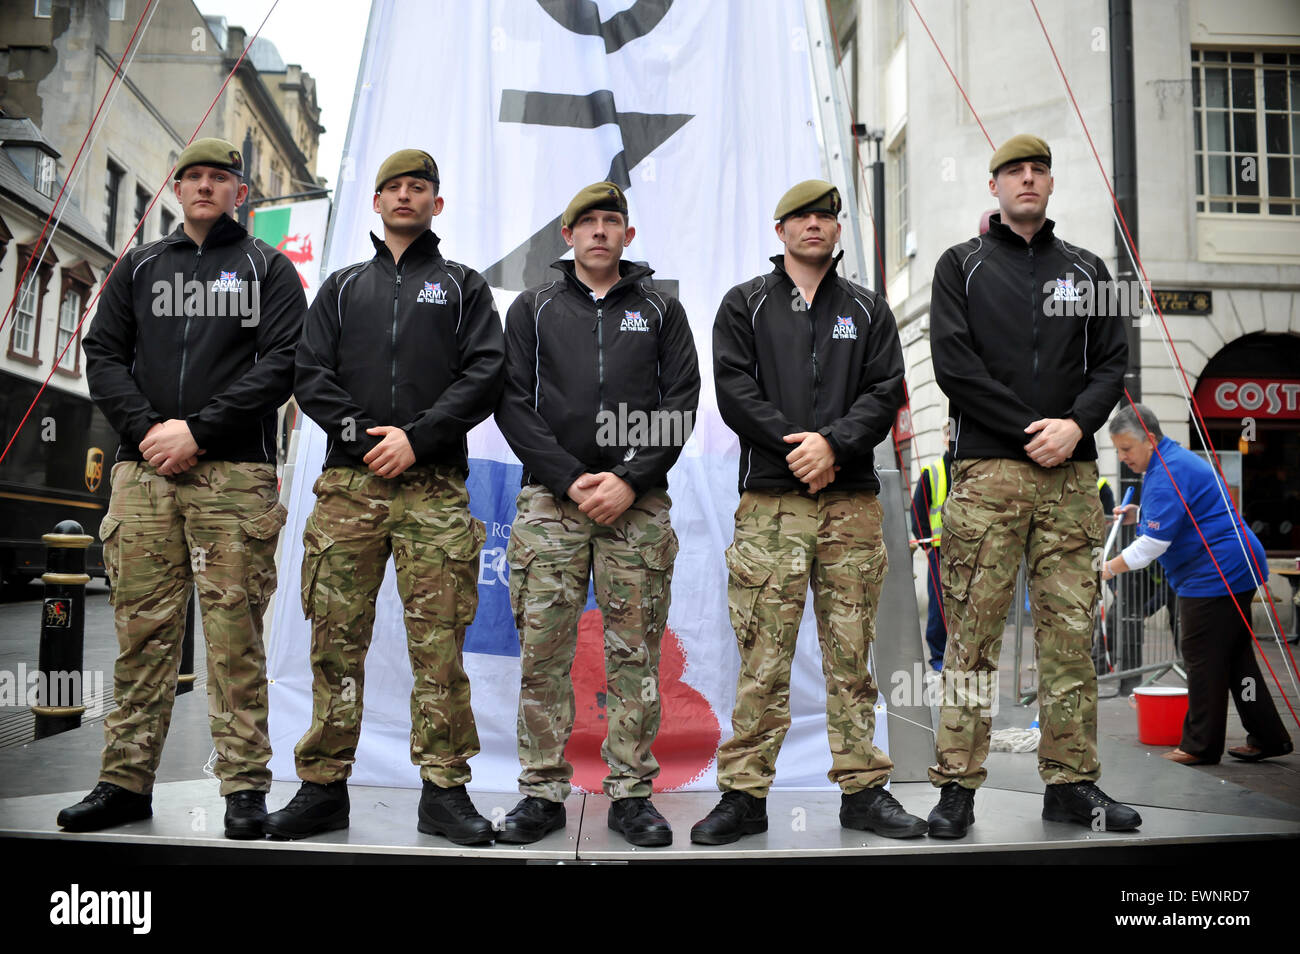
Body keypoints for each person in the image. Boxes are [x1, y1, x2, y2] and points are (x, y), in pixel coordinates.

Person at [63, 138, 306, 838]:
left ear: (240, 192)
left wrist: (196, 431)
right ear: (176, 189)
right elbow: (103, 354)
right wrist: (148, 431)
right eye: (193, 177)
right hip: (144, 476)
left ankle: (243, 788)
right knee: (142, 637)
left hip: (234, 475)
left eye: (219, 178)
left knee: (235, 640)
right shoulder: (139, 266)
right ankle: (123, 783)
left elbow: (282, 363)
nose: (205, 187)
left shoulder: (267, 268)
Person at [264, 149, 504, 844]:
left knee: (439, 645)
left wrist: (419, 437)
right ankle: (321, 787)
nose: (405, 196)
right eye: (393, 187)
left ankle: (444, 792)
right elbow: (310, 373)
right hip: (349, 487)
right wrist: (366, 438)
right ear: (375, 202)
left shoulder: (462, 288)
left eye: (419, 187)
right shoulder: (341, 289)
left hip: (434, 488)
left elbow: (484, 374)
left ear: (437, 203)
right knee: (336, 640)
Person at [691, 179, 926, 845]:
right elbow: (735, 390)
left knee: (852, 657)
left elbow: (885, 392)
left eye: (825, 215)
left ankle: (863, 791)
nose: (814, 225)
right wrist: (799, 447)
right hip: (772, 503)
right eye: (801, 217)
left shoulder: (868, 310)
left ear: (837, 229)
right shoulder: (746, 306)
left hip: (849, 505)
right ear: (780, 230)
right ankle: (743, 796)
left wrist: (836, 445)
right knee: (763, 656)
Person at [925, 134, 1142, 837]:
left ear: (1050, 185)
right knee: (972, 638)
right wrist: (1033, 429)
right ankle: (956, 788)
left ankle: (1072, 785)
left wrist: (1076, 427)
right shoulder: (961, 265)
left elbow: (1113, 363)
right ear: (993, 186)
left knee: (1070, 637)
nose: (1026, 180)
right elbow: (954, 368)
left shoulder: (1088, 268)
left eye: (1037, 171)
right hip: (989, 473)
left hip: (1071, 478)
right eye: (1013, 171)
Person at [495, 181, 700, 847]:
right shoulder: (534, 307)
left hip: (635, 509)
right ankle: (541, 792)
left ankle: (631, 793)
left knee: (634, 653)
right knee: (544, 652)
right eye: (588, 223)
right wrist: (568, 477)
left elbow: (681, 405)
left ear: (628, 237)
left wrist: (628, 478)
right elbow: (512, 403)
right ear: (569, 236)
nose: (601, 232)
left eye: (613, 221)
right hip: (551, 505)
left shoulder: (661, 311)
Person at [1103, 403, 1292, 765]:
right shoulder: (1170, 461)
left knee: (1202, 656)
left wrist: (1108, 568)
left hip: (1217, 572)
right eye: (1118, 450)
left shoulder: (1166, 471)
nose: (1123, 456)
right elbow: (1185, 512)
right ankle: (1269, 736)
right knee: (1236, 659)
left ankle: (1200, 746)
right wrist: (1140, 515)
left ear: (1151, 440)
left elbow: (1152, 546)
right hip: (1233, 564)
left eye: (1127, 449)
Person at [911, 420, 953, 673]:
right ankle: (938, 655)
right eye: (949, 433)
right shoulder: (933, 471)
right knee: (938, 604)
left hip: (968, 549)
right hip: (938, 549)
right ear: (943, 438)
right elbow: (918, 511)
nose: (952, 438)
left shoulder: (971, 470)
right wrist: (927, 545)